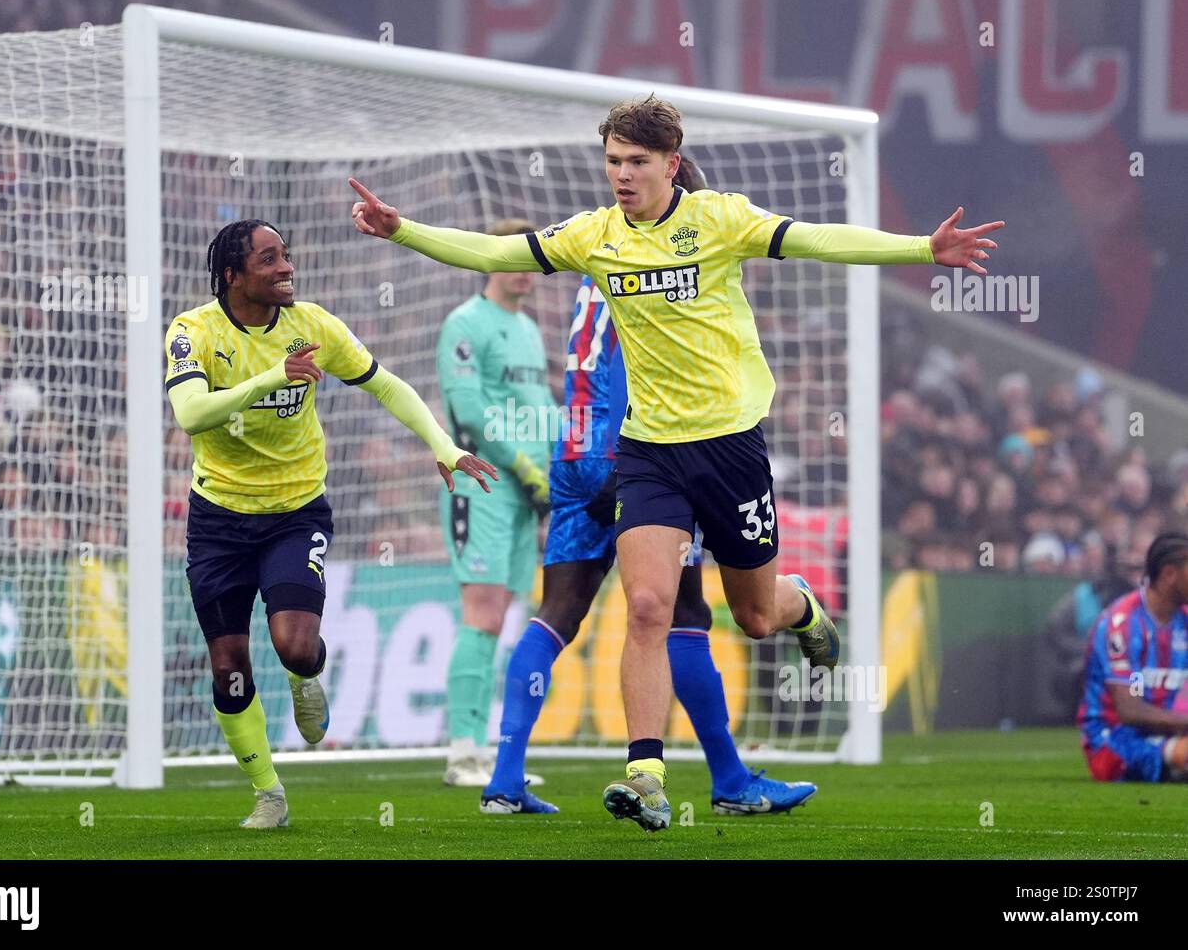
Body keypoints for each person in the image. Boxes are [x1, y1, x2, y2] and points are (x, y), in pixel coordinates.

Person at [349, 95, 1002, 831]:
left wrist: (922, 248)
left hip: (730, 448)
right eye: (612, 163)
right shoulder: (595, 235)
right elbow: (499, 252)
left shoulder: (718, 219)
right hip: (647, 450)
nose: (621, 177)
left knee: (755, 615)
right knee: (650, 607)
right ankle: (646, 772)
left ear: (670, 161)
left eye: (635, 163)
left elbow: (817, 238)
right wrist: (401, 229)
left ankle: (803, 607)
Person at [480, 158, 815, 816]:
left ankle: (505, 779)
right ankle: (729, 779)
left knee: (559, 614)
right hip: (639, 452)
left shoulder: (591, 255)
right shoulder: (653, 269)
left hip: (571, 450)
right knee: (681, 615)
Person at [166, 219, 496, 828]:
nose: (285, 267)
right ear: (233, 275)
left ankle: (306, 674)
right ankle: (269, 792)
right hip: (218, 521)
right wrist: (273, 377)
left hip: (295, 511)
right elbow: (191, 413)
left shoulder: (313, 325)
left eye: (286, 255)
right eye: (268, 260)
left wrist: (442, 446)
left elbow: (386, 385)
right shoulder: (194, 332)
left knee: (293, 645)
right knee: (229, 666)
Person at [435, 218, 556, 786]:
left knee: (502, 617)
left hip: (526, 494)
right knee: (480, 614)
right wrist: (524, 464)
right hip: (480, 485)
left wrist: (552, 468)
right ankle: (462, 750)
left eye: (531, 261)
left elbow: (541, 408)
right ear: (488, 261)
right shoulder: (465, 324)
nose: (525, 271)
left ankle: (486, 750)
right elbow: (469, 413)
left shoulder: (529, 331)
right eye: (514, 258)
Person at [1076, 533, 1188, 782]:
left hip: (1167, 734)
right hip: (1113, 740)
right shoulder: (1122, 624)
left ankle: (1173, 764)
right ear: (1170, 574)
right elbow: (1130, 710)